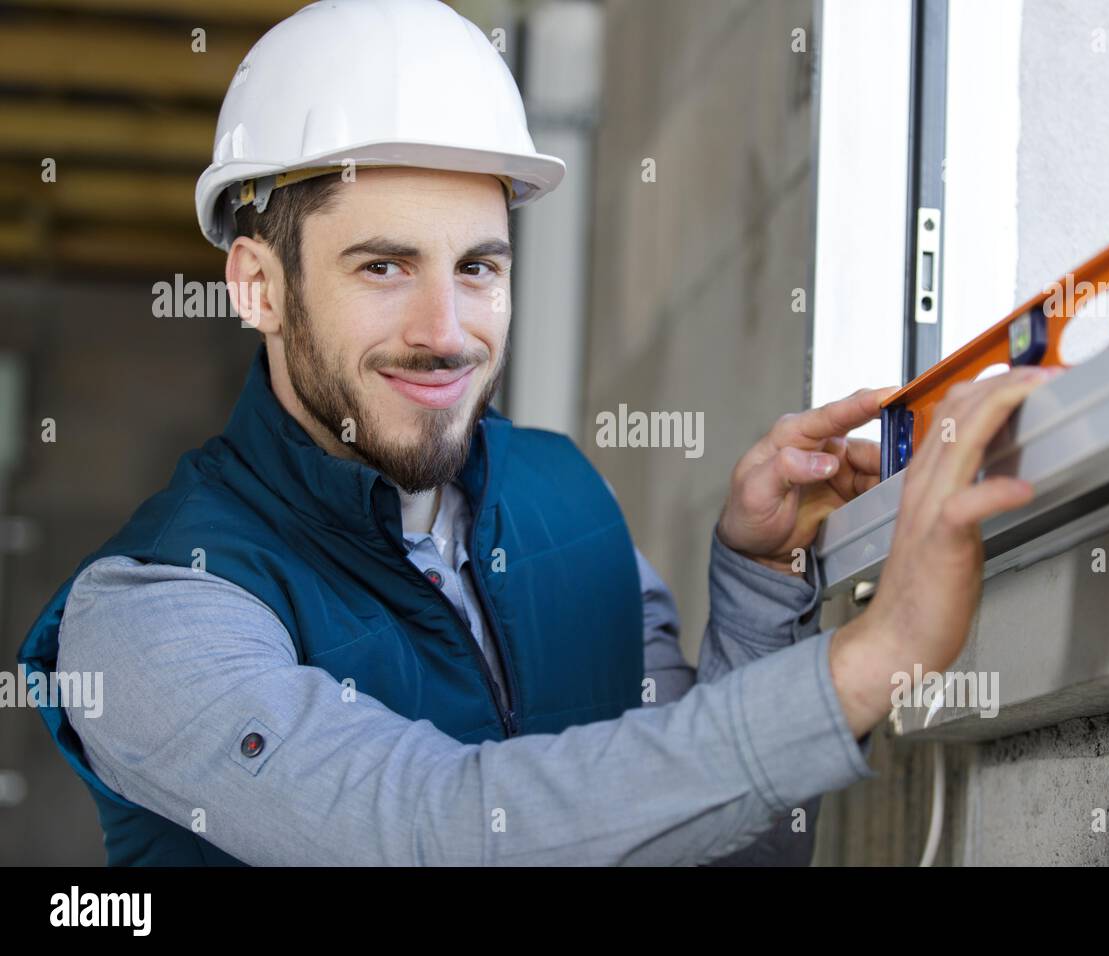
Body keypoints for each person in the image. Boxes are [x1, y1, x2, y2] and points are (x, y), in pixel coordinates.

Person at [17, 0, 1054, 865]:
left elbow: (723, 851)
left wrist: (759, 585)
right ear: (258, 286)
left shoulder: (566, 502)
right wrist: (876, 657)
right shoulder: (154, 613)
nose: (444, 332)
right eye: (383, 266)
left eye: (478, 267)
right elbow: (432, 830)